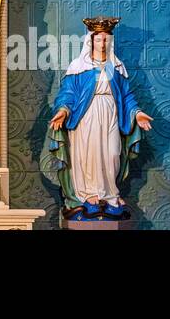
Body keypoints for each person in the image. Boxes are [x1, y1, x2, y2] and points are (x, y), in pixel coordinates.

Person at [45, 17, 154, 220]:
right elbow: (68, 93)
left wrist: (137, 114)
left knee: (112, 153)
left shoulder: (117, 67)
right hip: (86, 116)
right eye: (98, 40)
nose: (102, 43)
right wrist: (63, 111)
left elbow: (127, 96)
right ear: (90, 41)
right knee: (89, 154)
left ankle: (110, 194)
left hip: (111, 113)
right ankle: (89, 195)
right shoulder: (79, 66)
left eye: (106, 40)